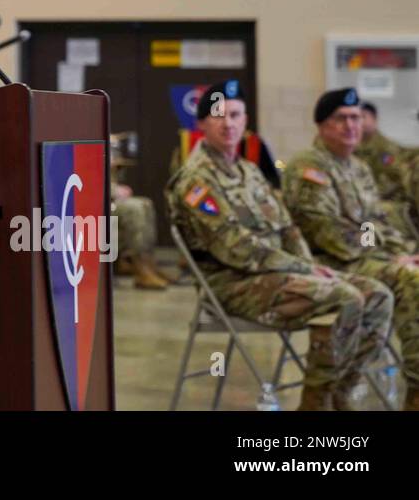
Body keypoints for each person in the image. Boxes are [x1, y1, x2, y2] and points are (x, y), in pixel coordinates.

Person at [168, 80, 393, 410]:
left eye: (235, 114)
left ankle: (340, 391)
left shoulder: (249, 171)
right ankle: (315, 403)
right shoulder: (196, 180)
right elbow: (238, 250)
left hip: (278, 274)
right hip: (232, 284)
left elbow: (287, 228)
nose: (228, 123)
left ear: (245, 121)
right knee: (342, 298)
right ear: (201, 124)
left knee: (378, 296)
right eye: (219, 116)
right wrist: (305, 269)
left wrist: (309, 265)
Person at [283, 87, 419, 411]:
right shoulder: (309, 168)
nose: (351, 125)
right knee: (410, 279)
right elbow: (333, 236)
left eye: (355, 117)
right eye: (340, 118)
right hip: (329, 264)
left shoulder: (357, 167)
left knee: (412, 268)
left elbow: (377, 222)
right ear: (321, 125)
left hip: (367, 258)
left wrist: (401, 250)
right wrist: (386, 251)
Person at [357, 101, 419, 237]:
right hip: (364, 199)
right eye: (356, 117)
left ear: (374, 119)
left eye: (363, 117)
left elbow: (393, 182)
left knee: (368, 215)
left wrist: (370, 198)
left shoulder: (385, 149)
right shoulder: (353, 146)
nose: (358, 122)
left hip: (391, 202)